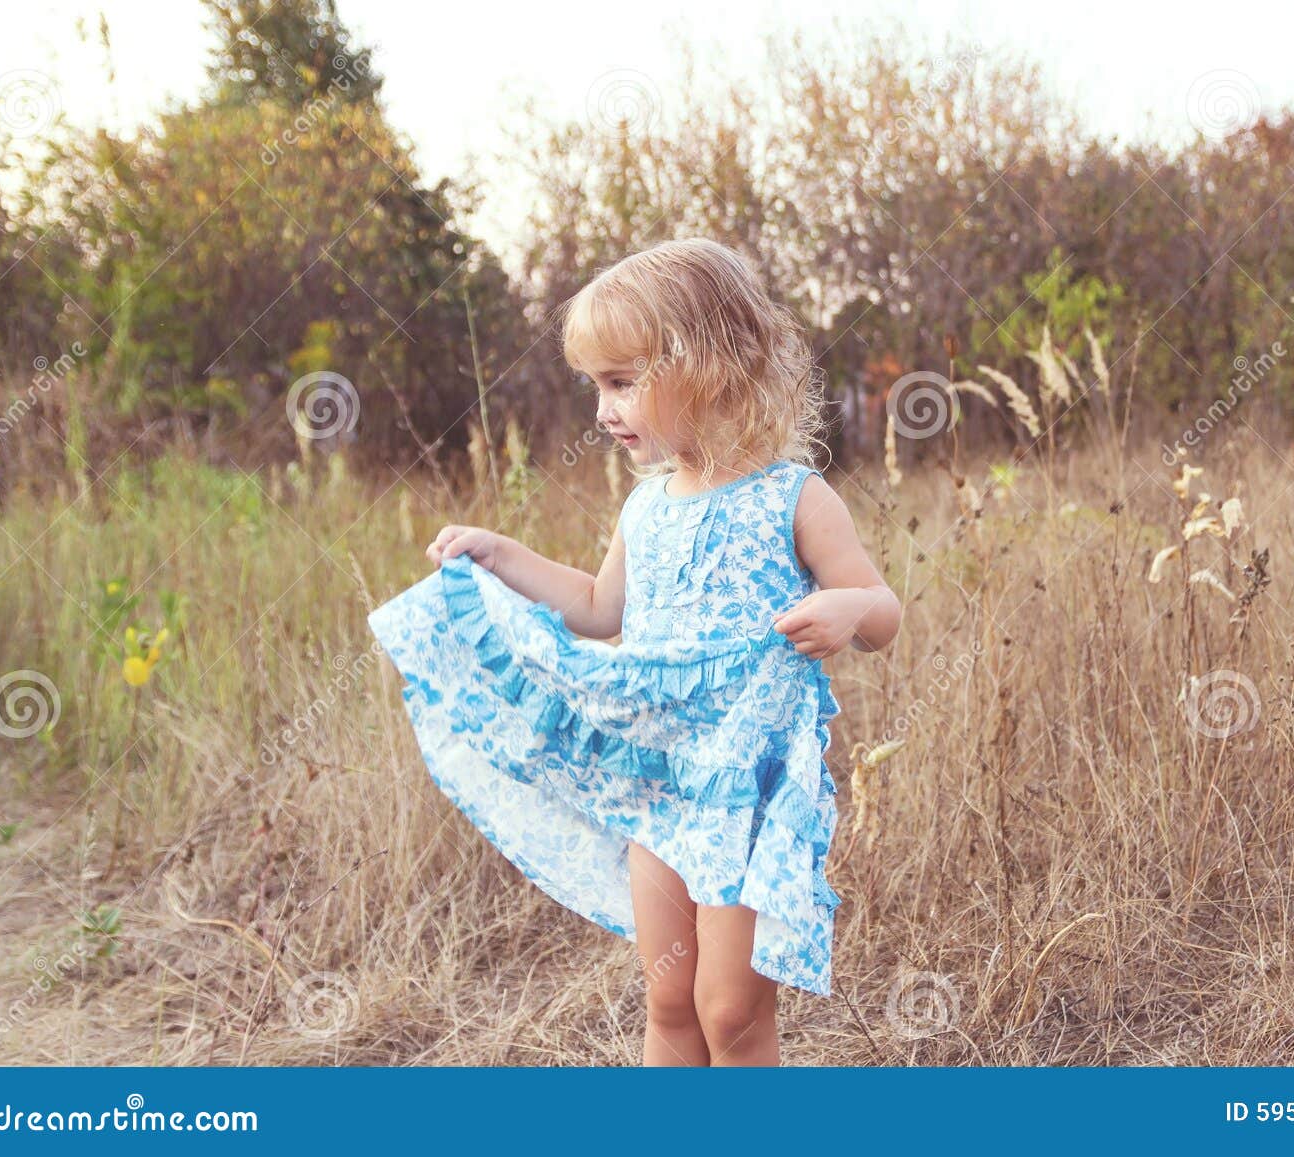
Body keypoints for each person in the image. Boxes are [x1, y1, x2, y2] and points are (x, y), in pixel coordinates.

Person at [367, 237, 902, 1066]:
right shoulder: (646, 506)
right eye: (597, 386)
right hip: (659, 776)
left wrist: (846, 606)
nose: (602, 410)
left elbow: (885, 614)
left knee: (729, 1010)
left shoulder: (794, 497)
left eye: (621, 383)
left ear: (709, 366)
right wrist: (500, 555)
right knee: (670, 998)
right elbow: (595, 607)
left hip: (747, 786)